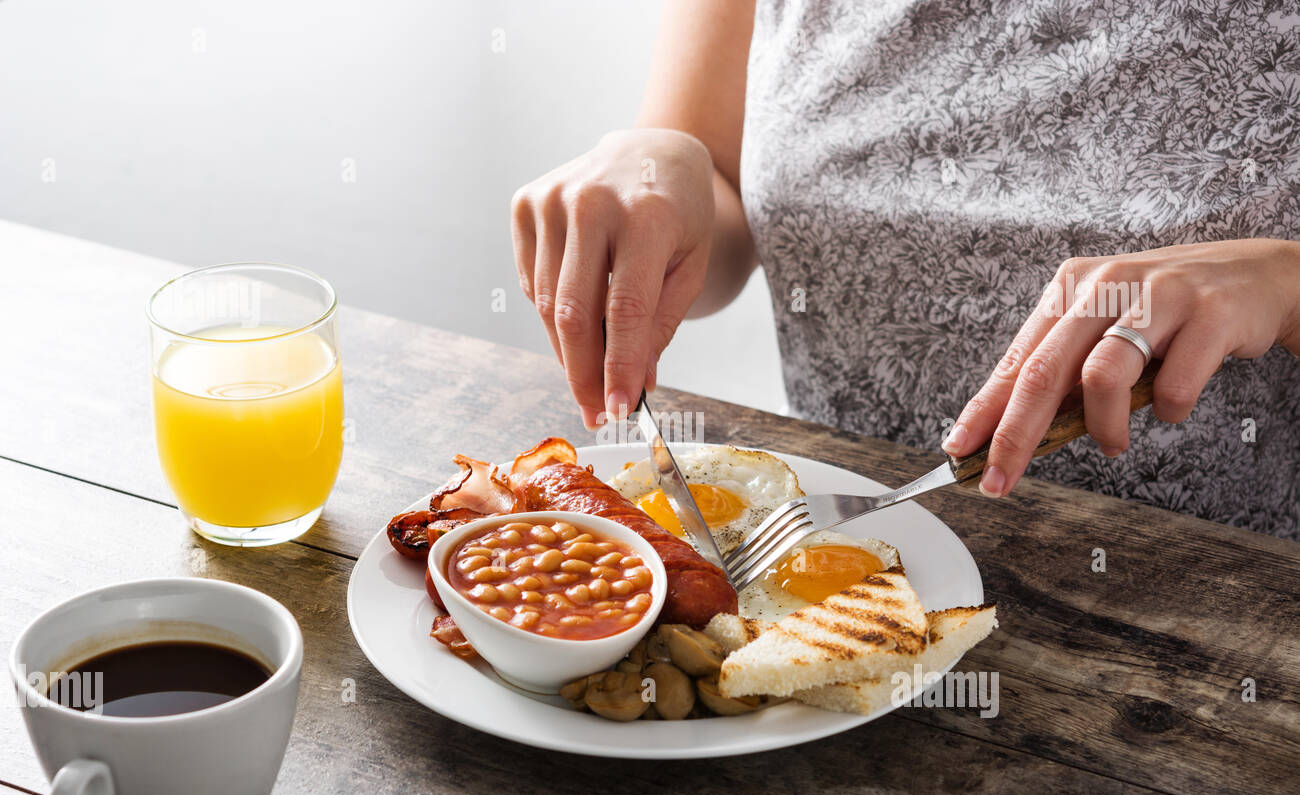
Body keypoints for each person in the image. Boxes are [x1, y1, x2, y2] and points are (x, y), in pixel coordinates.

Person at [511, 0, 1300, 541]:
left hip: (1220, 613)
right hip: (845, 558)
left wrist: (1283, 282)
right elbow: (718, 190)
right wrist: (663, 165)